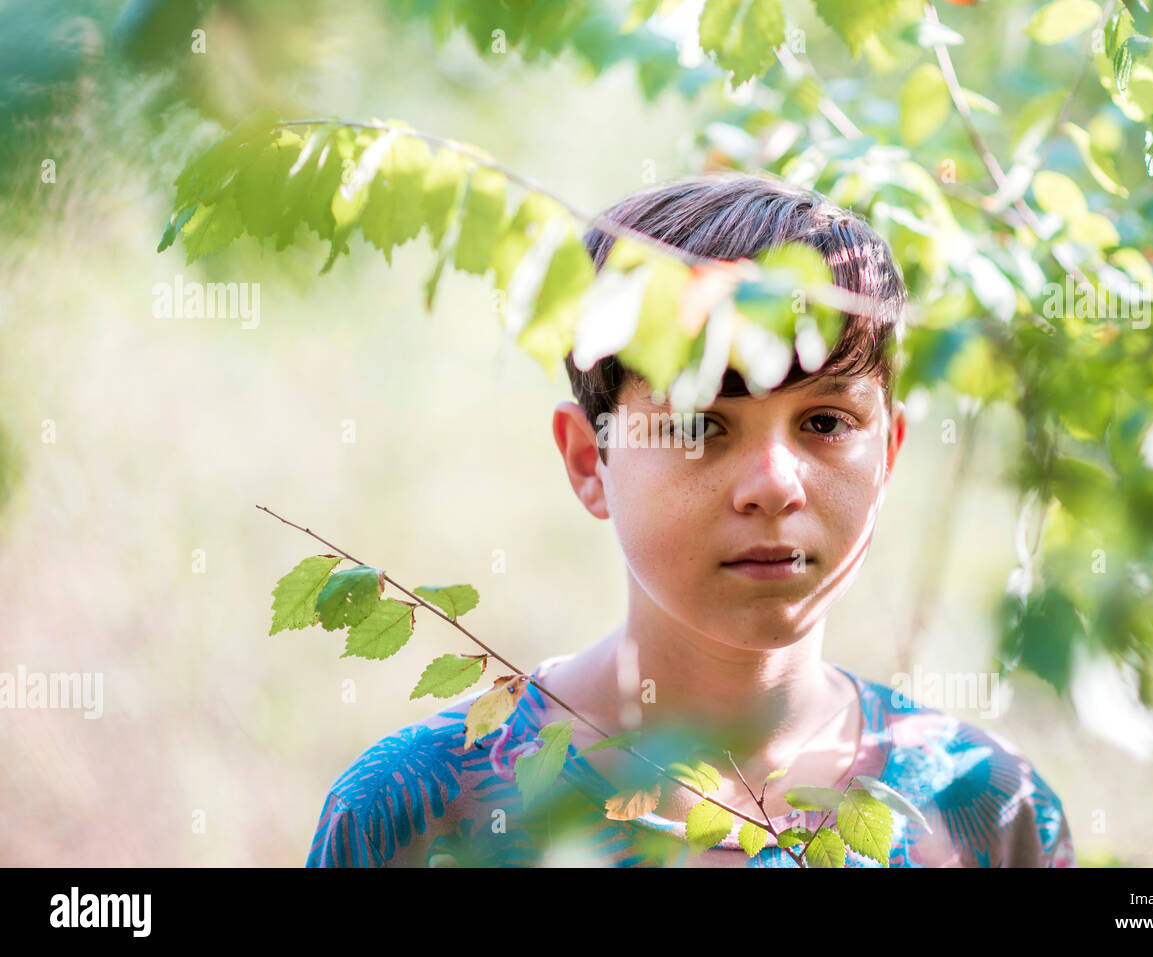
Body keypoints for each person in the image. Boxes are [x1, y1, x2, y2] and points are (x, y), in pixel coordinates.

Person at [305, 173, 1078, 868]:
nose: (774, 486)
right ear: (587, 459)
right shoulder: (422, 811)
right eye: (696, 425)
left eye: (827, 422)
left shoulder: (986, 807)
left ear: (890, 452)